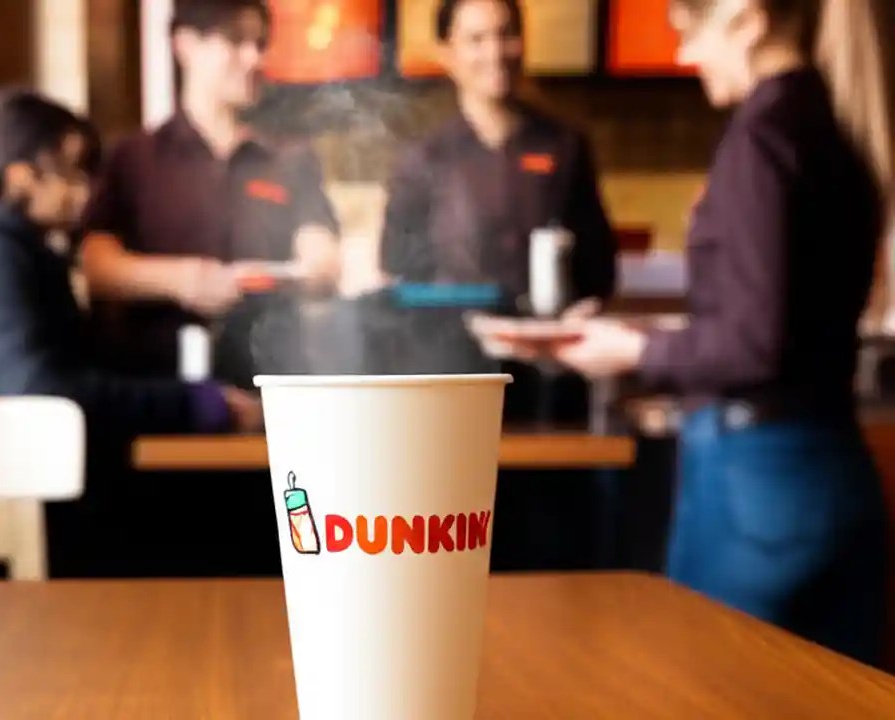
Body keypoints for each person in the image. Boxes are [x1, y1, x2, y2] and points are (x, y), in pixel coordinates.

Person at [554, 0, 893, 664]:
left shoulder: (760, 138)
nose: (686, 57)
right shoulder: (843, 126)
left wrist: (631, 350)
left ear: (749, 19)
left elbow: (750, 342)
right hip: (836, 470)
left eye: (690, 34)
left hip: (755, 484)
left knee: (708, 688)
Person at [0, 88, 262, 436]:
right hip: (10, 480)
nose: (84, 193)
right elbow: (43, 393)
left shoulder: (23, 253)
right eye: (70, 175)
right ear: (20, 177)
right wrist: (196, 404)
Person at [79, 0, 342, 383]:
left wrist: (273, 276)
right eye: (235, 41)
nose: (253, 58)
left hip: (269, 380)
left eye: (259, 43)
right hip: (159, 386)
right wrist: (184, 280)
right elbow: (96, 263)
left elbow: (323, 259)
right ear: (185, 45)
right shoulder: (134, 157)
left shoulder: (289, 160)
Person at [380, 0, 616, 313]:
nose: (495, 53)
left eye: (506, 35)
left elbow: (598, 271)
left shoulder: (564, 146)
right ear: (447, 54)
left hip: (544, 348)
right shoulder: (423, 159)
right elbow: (396, 269)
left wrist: (582, 313)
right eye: (476, 40)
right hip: (457, 349)